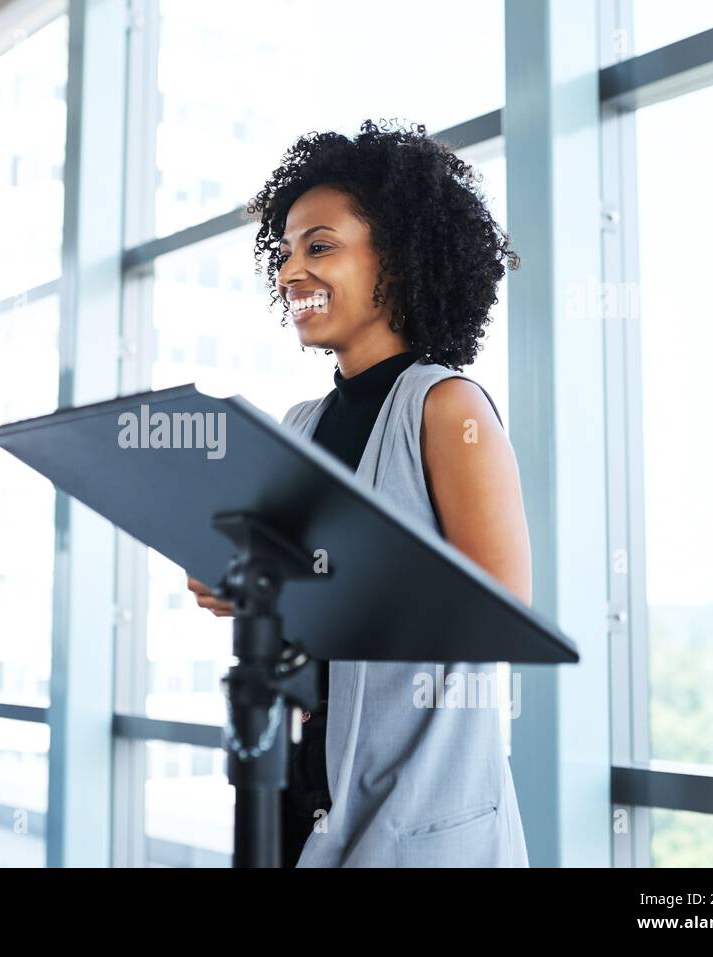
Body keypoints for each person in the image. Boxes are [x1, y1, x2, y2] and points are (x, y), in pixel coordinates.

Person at [187, 118, 531, 867]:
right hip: (297, 802)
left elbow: (500, 611)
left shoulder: (446, 408)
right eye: (284, 253)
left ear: (400, 261)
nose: (288, 273)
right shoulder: (299, 426)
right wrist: (242, 585)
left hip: (418, 819)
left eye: (320, 246)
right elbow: (300, 608)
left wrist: (311, 575)